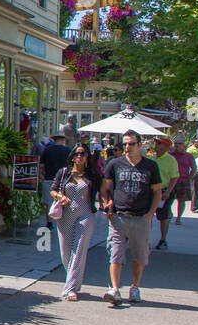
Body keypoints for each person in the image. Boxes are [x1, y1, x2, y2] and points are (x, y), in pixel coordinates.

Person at [100, 129, 163, 304]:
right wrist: (107, 203)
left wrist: (150, 214)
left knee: (140, 255)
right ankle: (115, 289)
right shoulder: (115, 164)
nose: (128, 147)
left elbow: (157, 192)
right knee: (115, 253)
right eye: (125, 144)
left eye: (132, 143)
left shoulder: (150, 166)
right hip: (119, 216)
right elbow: (104, 188)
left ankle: (135, 287)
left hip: (141, 217)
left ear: (140, 145)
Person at [49, 145, 101, 301]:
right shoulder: (64, 173)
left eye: (83, 154)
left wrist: (107, 202)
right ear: (72, 157)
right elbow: (53, 190)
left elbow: (103, 191)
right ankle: (74, 282)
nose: (80, 156)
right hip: (65, 215)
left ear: (87, 157)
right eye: (77, 154)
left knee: (79, 250)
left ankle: (70, 289)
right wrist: (60, 197)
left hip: (86, 214)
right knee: (66, 252)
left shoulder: (93, 175)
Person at [150, 135, 180, 250]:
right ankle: (146, 238)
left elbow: (174, 177)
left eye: (159, 143)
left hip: (164, 191)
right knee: (148, 214)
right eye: (156, 143)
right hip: (151, 191)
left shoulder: (171, 160)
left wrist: (168, 191)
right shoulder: (151, 159)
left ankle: (163, 239)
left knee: (163, 216)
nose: (156, 146)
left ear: (166, 147)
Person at [39, 133, 71, 210]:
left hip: (49, 179)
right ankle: (60, 220)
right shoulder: (68, 150)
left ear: (54, 139)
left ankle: (49, 221)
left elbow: (41, 166)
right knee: (64, 201)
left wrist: (42, 176)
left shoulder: (47, 150)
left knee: (48, 202)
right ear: (63, 140)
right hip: (64, 180)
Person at [170, 136, 196, 225]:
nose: (177, 145)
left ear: (184, 145)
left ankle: (178, 218)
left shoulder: (188, 156)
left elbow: (193, 168)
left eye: (179, 144)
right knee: (168, 199)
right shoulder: (170, 154)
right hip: (170, 181)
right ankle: (169, 214)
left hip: (183, 180)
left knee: (181, 200)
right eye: (175, 143)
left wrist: (189, 178)